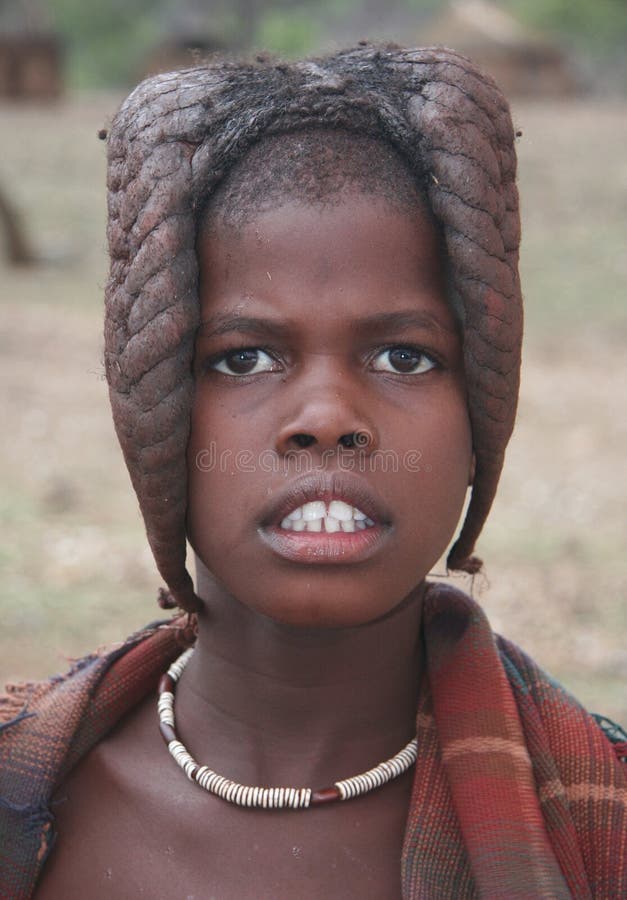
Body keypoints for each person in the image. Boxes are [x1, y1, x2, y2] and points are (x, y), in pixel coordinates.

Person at [1, 45, 625, 899]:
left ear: (484, 411)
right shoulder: (25, 790)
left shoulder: (601, 827)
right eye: (243, 357)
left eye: (404, 357)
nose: (326, 418)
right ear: (152, 410)